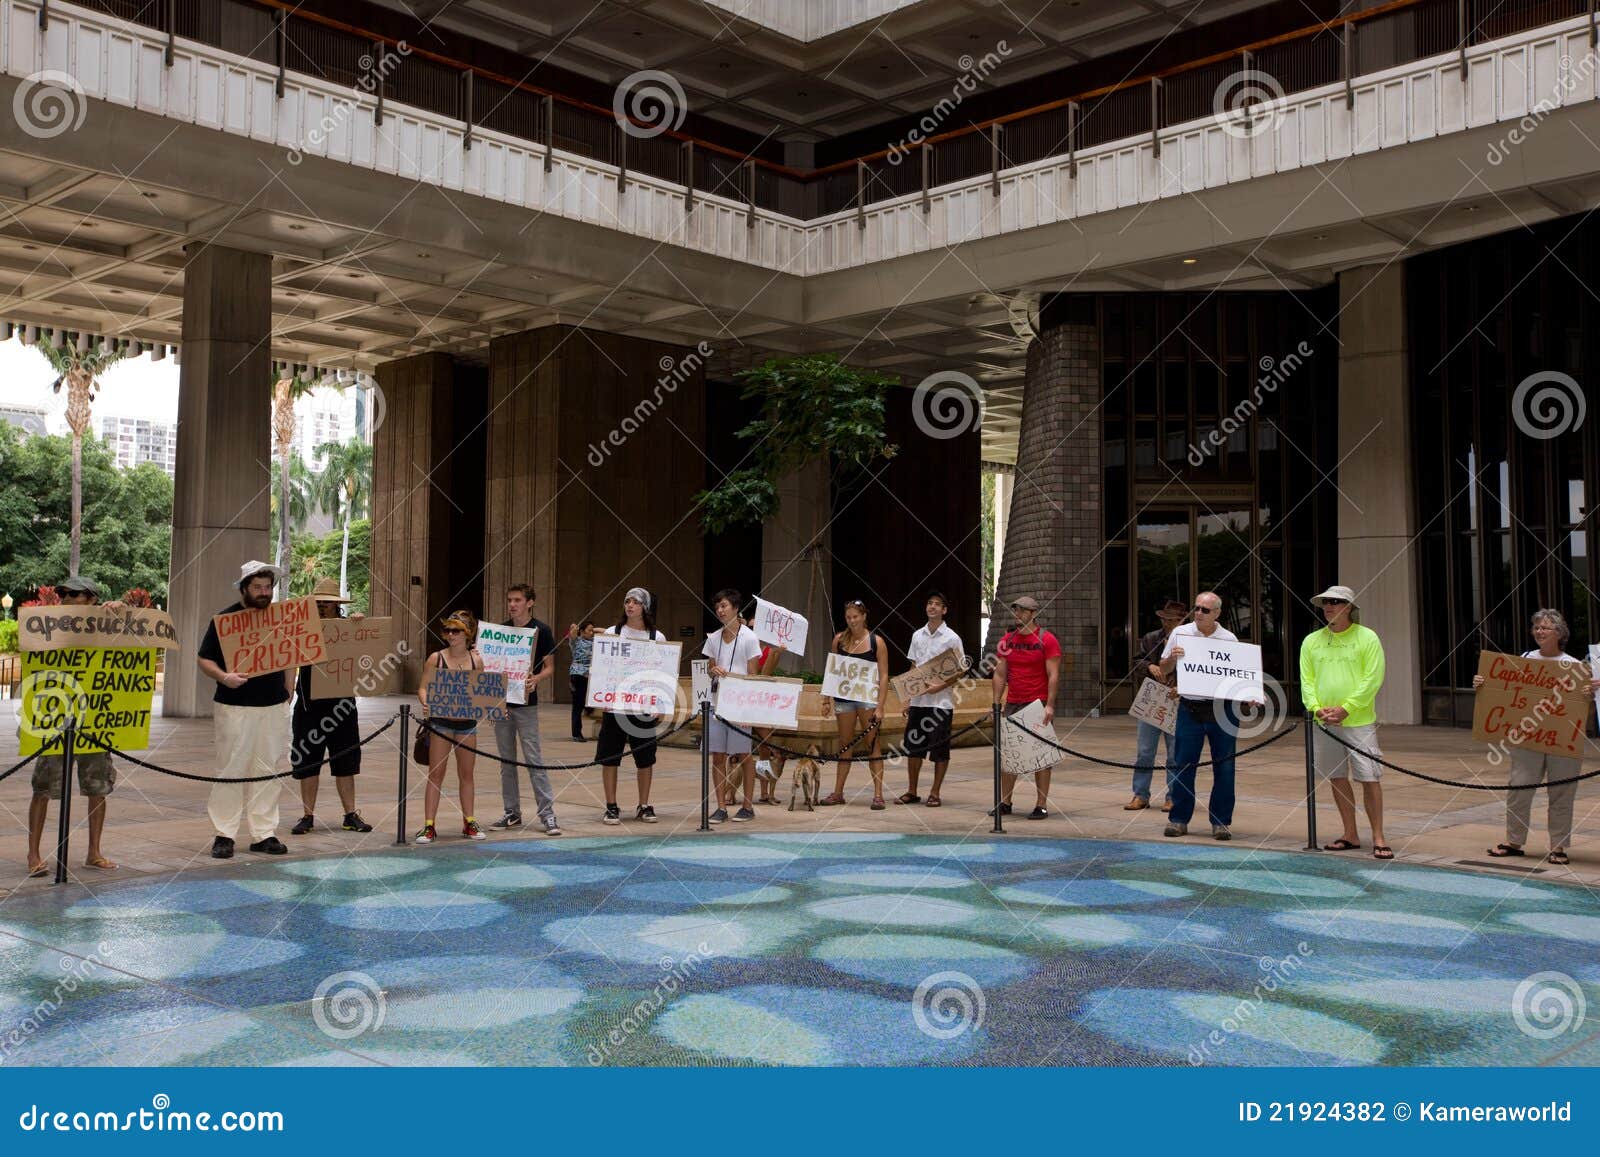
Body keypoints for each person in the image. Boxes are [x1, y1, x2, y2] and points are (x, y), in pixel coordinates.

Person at [1473, 608, 1596, 866]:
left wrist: (1591, 691)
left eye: (1546, 627)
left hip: (1562, 740)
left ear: (1559, 633)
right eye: (1537, 627)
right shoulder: (1524, 660)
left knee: (1562, 793)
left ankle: (1558, 846)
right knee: (1519, 789)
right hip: (1527, 738)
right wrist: (1482, 683)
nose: (1540, 631)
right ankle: (1514, 841)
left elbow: (1586, 706)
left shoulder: (1576, 667)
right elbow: (1504, 692)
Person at [24, 575, 126, 877]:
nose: (67, 598)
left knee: (97, 788)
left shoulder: (108, 622)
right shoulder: (48, 624)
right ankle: (34, 854)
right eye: (64, 593)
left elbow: (135, 642)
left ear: (92, 599)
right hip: (55, 718)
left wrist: (120, 610)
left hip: (94, 719)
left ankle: (94, 852)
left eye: (75, 594)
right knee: (42, 788)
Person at [196, 561, 294, 859]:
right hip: (234, 705)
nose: (264, 593)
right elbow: (204, 659)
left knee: (269, 769)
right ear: (244, 589)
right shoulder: (225, 620)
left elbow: (292, 655)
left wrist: (289, 690)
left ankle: (264, 834)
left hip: (273, 705)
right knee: (231, 769)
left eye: (267, 587)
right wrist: (225, 677)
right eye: (257, 588)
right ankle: (224, 834)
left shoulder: (281, 618)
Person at [1299, 585, 1390, 858]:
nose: (1329, 606)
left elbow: (1373, 678)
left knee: (1369, 777)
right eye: (1326, 602)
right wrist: (1316, 709)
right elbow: (1307, 681)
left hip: (1359, 721)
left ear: (1349, 607)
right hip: (1324, 721)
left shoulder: (1367, 637)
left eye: (1336, 602)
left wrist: (1347, 708)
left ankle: (1378, 836)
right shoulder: (1311, 641)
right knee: (1337, 776)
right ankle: (1350, 833)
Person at [287, 578, 374, 836]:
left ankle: (350, 814)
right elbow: (289, 659)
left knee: (346, 762)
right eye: (320, 603)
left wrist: (361, 626)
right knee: (307, 762)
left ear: (338, 605)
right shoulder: (302, 629)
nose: (324, 607)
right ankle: (307, 815)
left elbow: (369, 656)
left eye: (328, 603)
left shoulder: (350, 628)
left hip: (342, 707)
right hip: (308, 706)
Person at [1159, 590, 1240, 840]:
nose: (1198, 613)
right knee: (1183, 765)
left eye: (1205, 610)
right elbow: (1163, 668)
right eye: (1196, 608)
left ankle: (1220, 822)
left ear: (1217, 613)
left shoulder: (1229, 639)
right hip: (1190, 708)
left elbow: (1238, 675)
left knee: (1224, 767)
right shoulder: (1180, 633)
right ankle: (1179, 819)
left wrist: (1249, 693)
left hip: (1222, 709)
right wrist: (1171, 659)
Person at [488, 584, 561, 836]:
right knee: (506, 762)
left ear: (530, 602)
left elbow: (550, 667)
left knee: (534, 759)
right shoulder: (501, 630)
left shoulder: (541, 630)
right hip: (502, 704)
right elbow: (491, 667)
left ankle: (548, 814)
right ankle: (512, 812)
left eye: (517, 600)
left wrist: (537, 679)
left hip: (526, 703)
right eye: (509, 600)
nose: (512, 604)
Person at [595, 588, 666, 825]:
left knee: (645, 758)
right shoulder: (612, 633)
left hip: (642, 708)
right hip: (615, 707)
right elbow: (602, 668)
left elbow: (663, 673)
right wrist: (600, 697)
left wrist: (661, 702)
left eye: (635, 602)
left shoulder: (657, 637)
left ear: (645, 607)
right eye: (627, 601)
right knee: (610, 757)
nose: (630, 605)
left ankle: (644, 805)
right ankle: (611, 805)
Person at [415, 610, 488, 843]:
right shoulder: (436, 658)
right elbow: (423, 687)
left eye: (455, 630)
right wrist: (425, 701)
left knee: (467, 774)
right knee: (436, 774)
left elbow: (483, 691)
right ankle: (429, 825)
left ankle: (469, 821)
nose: (450, 634)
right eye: (447, 630)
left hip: (467, 724)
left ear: (467, 634)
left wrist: (495, 705)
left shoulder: (476, 661)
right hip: (441, 724)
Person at [991, 595, 1060, 819]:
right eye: (1016, 611)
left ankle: (1041, 804)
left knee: (1041, 756)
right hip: (1013, 702)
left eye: (1022, 611)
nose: (1018, 615)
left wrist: (1049, 705)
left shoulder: (1046, 639)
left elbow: (1053, 675)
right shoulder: (1007, 640)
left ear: (1033, 614)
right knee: (1008, 754)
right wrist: (996, 702)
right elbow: (1000, 673)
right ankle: (1006, 801)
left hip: (1036, 703)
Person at [819, 599, 891, 809]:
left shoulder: (877, 642)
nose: (852, 621)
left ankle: (878, 794)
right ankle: (838, 792)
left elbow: (884, 675)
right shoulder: (839, 640)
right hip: (844, 698)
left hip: (867, 698)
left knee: (873, 744)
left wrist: (880, 705)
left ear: (864, 616)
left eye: (855, 617)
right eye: (848, 617)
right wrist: (826, 699)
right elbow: (832, 670)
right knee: (845, 744)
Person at [703, 588, 763, 823]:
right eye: (717, 606)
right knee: (717, 755)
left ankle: (747, 805)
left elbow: (753, 675)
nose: (720, 610)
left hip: (741, 704)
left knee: (744, 754)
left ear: (736, 608)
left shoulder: (749, 637)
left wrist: (748, 704)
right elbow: (709, 669)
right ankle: (720, 806)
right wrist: (714, 670)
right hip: (718, 703)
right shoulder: (713, 638)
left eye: (724, 606)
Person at [900, 591, 963, 808]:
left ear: (944, 610)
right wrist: (907, 697)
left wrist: (941, 686)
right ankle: (912, 791)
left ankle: (935, 792)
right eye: (929, 603)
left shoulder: (952, 637)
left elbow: (960, 670)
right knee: (913, 747)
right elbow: (913, 666)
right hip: (918, 702)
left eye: (937, 604)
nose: (932, 607)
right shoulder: (917, 635)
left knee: (939, 749)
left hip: (941, 704)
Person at [1128, 599, 1187, 812]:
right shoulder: (1151, 638)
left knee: (1174, 753)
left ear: (1181, 621)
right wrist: (1150, 665)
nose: (1167, 624)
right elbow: (1136, 662)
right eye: (1164, 619)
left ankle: (1173, 796)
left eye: (1172, 620)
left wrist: (1182, 685)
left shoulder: (1190, 641)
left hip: (1177, 700)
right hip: (1153, 699)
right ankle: (1140, 794)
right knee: (1144, 751)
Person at [567, 620, 597, 740]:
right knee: (577, 705)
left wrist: (595, 629)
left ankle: (588, 710)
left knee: (589, 703)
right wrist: (575, 628)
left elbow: (606, 631)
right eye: (589, 630)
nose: (592, 633)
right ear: (582, 631)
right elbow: (573, 631)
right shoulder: (577, 641)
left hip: (590, 676)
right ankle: (576, 733)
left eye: (592, 630)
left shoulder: (596, 641)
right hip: (577, 675)